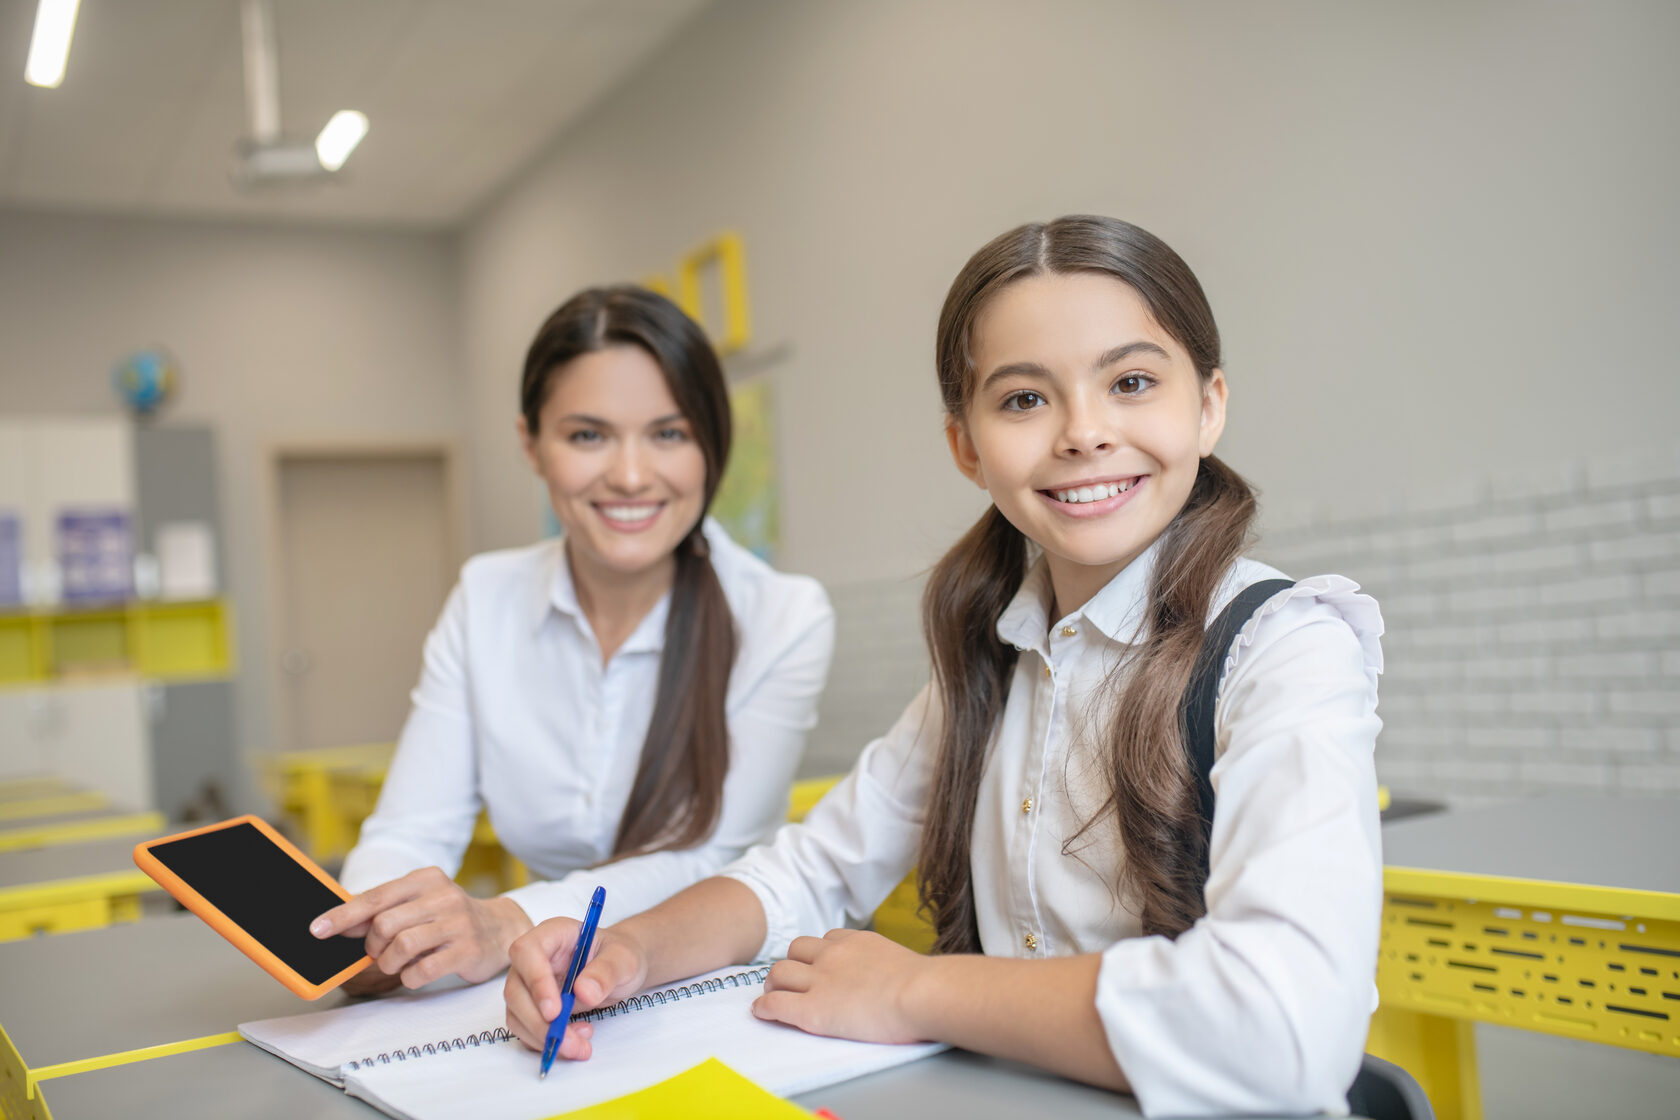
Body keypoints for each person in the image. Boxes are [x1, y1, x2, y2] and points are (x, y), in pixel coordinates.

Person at [503, 217, 1384, 1117]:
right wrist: (631, 952)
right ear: (966, 446)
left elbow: (1285, 1026)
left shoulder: (1285, 648)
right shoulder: (994, 657)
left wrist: (913, 990)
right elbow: (810, 870)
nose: (1084, 432)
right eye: (1024, 400)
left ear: (1208, 406)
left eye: (1130, 383)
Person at [309, 286, 835, 995]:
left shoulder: (783, 617)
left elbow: (709, 858)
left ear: (712, 446)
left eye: (669, 434)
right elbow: (409, 831)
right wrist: (378, 931)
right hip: (546, 986)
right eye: (588, 436)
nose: (630, 475)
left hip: (721, 988)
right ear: (531, 444)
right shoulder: (485, 600)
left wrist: (506, 921)